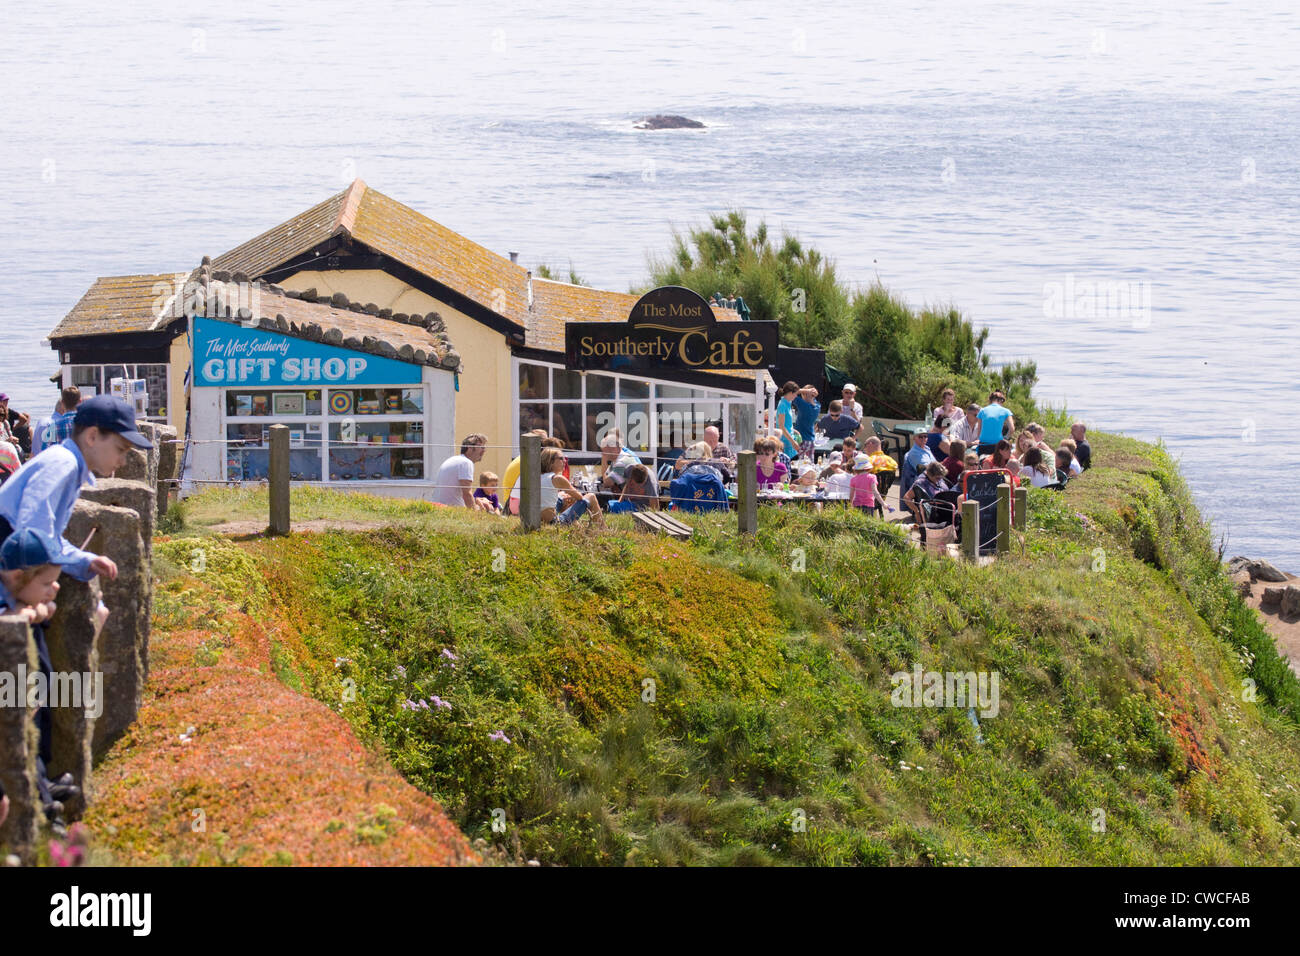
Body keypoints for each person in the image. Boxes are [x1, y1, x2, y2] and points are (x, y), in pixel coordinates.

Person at [0, 394, 148, 581]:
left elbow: (47, 539)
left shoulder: (68, 464)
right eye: (120, 449)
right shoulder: (63, 465)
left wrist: (84, 561)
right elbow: (33, 536)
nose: (123, 461)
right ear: (92, 437)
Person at [539, 447, 602, 525]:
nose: (565, 461)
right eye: (561, 458)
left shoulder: (537, 478)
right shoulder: (557, 478)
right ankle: (602, 528)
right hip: (555, 523)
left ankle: (577, 527)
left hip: (537, 521)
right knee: (591, 496)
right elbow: (580, 497)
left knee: (562, 496)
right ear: (551, 461)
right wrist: (572, 497)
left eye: (565, 458)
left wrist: (566, 496)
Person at [434, 434, 490, 509]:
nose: (484, 451)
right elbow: (467, 494)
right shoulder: (466, 463)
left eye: (484, 448)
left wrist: (476, 500)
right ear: (470, 447)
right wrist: (476, 513)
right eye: (481, 447)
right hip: (452, 511)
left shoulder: (456, 460)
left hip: (441, 508)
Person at [903, 461, 951, 525]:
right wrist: (917, 512)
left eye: (941, 477)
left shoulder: (938, 479)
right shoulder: (921, 483)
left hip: (943, 508)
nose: (940, 479)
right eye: (938, 478)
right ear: (929, 474)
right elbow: (906, 498)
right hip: (931, 514)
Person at [899, 430, 936, 508]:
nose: (923, 438)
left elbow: (934, 464)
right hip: (924, 480)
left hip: (933, 475)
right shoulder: (914, 453)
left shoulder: (927, 448)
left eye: (925, 436)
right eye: (920, 436)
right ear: (914, 438)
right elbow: (925, 468)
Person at [976, 390, 1015, 456]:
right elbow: (1012, 429)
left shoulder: (982, 411)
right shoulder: (1006, 411)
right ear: (1001, 401)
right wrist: (1005, 438)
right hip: (998, 446)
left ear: (990, 400)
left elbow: (978, 431)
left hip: (983, 445)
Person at [792, 385, 820, 458]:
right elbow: (813, 399)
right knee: (809, 465)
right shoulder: (817, 406)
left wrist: (804, 391)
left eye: (803, 394)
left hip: (801, 440)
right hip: (811, 441)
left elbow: (790, 392)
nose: (801, 396)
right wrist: (811, 392)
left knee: (798, 465)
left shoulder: (804, 405)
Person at [775, 381, 800, 458]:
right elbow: (782, 427)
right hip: (786, 441)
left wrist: (794, 430)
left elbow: (786, 423)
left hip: (790, 438)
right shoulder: (782, 405)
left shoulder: (788, 402)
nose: (796, 396)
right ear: (790, 393)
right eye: (795, 394)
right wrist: (793, 442)